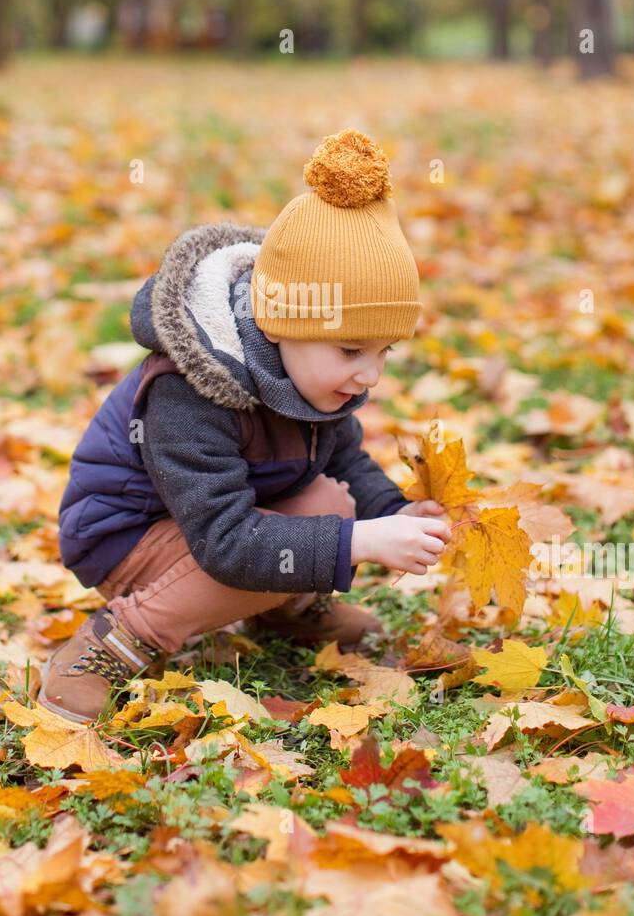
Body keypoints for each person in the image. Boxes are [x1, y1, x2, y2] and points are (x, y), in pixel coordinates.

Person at [40, 129, 450, 723]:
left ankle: (280, 603)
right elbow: (224, 541)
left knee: (331, 497)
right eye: (351, 349)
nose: (369, 375)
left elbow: (346, 463)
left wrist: (392, 513)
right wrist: (360, 539)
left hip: (207, 527)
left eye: (385, 352)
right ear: (281, 321)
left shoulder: (312, 377)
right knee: (325, 516)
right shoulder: (192, 391)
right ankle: (117, 639)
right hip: (129, 536)